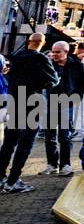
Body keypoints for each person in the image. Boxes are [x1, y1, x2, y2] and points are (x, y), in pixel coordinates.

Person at [0, 34, 57, 194]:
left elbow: (9, 76)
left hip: (15, 102)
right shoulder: (41, 59)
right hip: (33, 104)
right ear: (43, 43)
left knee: (9, 142)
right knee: (25, 143)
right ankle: (13, 181)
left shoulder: (17, 57)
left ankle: (1, 177)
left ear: (28, 42)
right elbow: (54, 80)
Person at [40, 41, 84, 177]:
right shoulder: (49, 64)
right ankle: (52, 164)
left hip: (67, 104)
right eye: (53, 51)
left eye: (57, 52)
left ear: (66, 52)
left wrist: (77, 98)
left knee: (65, 136)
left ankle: (66, 164)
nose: (54, 54)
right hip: (51, 103)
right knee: (50, 136)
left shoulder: (76, 65)